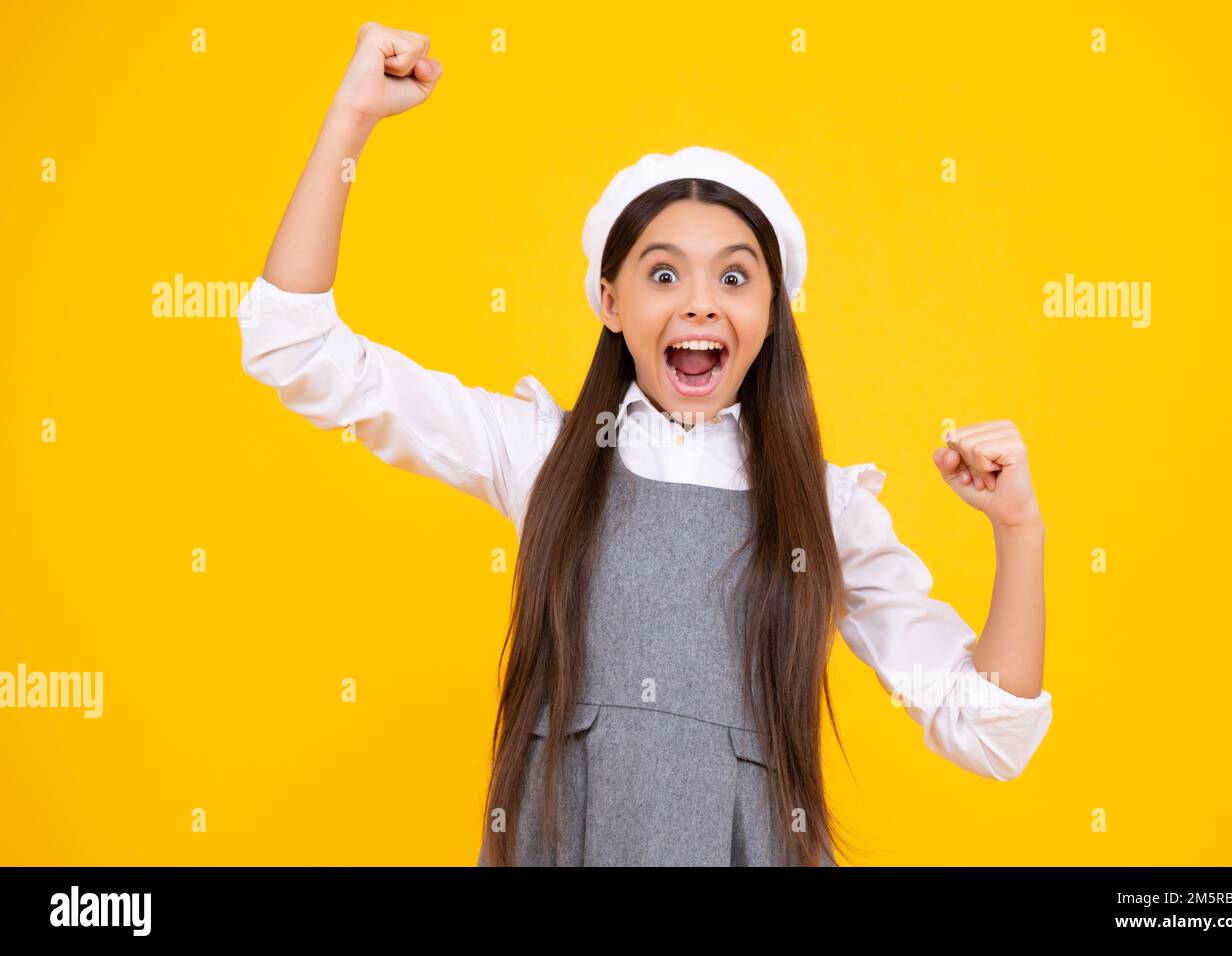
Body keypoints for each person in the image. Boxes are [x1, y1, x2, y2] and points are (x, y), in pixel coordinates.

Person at [237, 21, 1052, 866]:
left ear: (771, 316)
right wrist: (350, 120)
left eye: (735, 277)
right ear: (609, 302)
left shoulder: (827, 509)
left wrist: (1018, 531)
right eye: (663, 274)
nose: (701, 303)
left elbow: (985, 730)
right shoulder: (543, 456)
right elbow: (297, 352)